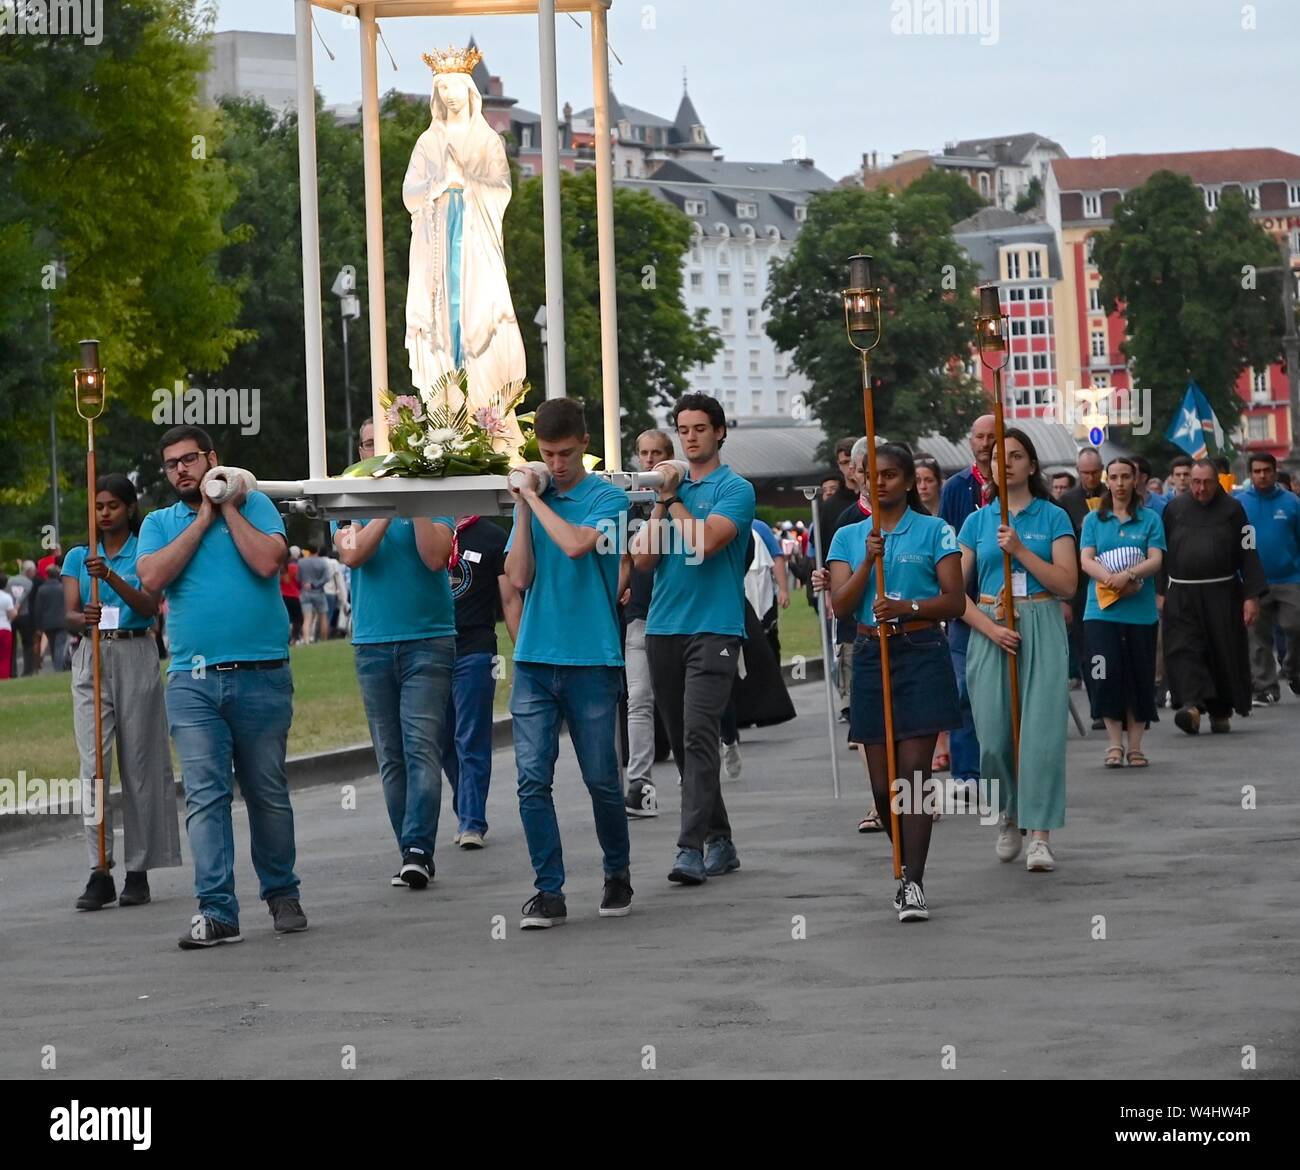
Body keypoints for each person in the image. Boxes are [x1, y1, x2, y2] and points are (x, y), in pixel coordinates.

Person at [137, 424, 307, 949]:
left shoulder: (254, 506)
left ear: (213, 458)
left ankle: (282, 893)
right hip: (193, 682)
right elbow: (152, 578)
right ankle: (217, 910)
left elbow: (266, 561)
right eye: (172, 465)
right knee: (205, 797)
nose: (182, 470)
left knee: (267, 793)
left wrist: (227, 506)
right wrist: (202, 518)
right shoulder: (159, 523)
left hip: (261, 674)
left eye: (191, 460)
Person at [823, 444, 965, 921]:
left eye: (889, 474)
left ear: (907, 481)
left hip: (921, 651)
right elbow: (841, 605)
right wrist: (867, 561)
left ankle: (913, 882)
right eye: (870, 474)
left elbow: (955, 601)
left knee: (915, 779)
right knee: (885, 790)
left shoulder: (935, 530)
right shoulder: (847, 536)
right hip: (868, 654)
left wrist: (910, 608)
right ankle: (905, 863)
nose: (878, 482)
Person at [504, 398, 632, 928]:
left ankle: (617, 872)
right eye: (546, 454)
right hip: (535, 656)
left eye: (565, 453)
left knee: (601, 778)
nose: (555, 465)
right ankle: (548, 890)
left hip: (591, 658)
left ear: (584, 444)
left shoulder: (608, 497)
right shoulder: (536, 499)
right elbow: (519, 577)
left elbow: (579, 545)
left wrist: (533, 501)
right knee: (532, 780)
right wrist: (519, 506)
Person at [632, 392, 755, 887]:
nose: (690, 437)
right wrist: (661, 503)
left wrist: (674, 500)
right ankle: (720, 839)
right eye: (683, 429)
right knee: (686, 742)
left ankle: (691, 847)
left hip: (715, 628)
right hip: (663, 628)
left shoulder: (735, 489)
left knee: (699, 732)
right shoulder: (663, 492)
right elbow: (641, 561)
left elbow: (703, 542)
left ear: (719, 432)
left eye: (700, 428)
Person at [333, 442, 457, 890]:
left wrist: (413, 498)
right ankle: (409, 846)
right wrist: (386, 506)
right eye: (370, 446)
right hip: (373, 643)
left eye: (387, 446)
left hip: (428, 639)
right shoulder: (348, 498)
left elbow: (434, 556)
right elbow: (352, 553)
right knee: (391, 755)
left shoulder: (434, 493)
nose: (378, 453)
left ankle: (418, 849)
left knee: (421, 747)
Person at [61, 474, 182, 910]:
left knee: (142, 764)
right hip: (93, 657)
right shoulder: (79, 555)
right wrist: (83, 616)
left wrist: (109, 576)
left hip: (135, 652)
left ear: (130, 508)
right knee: (94, 766)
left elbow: (150, 606)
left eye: (113, 505)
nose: (105, 512)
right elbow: (70, 615)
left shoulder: (143, 551)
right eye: (98, 506)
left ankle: (139, 869)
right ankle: (99, 869)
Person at [958, 428, 1076, 873]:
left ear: (1031, 465)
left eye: (1016, 455)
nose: (1005, 462)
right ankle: (1007, 815)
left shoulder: (1053, 517)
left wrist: (1021, 549)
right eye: (996, 456)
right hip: (992, 628)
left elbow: (1067, 584)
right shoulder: (976, 522)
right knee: (993, 737)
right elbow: (955, 593)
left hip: (1042, 623)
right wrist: (989, 628)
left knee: (1042, 737)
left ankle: (1041, 835)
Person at [1160, 460, 1266, 735]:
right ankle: (1191, 706)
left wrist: (1251, 595)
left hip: (1222, 593)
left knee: (1221, 651)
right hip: (1182, 593)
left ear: (1217, 482)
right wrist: (1159, 591)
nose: (1200, 488)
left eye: (1207, 482)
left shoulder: (1233, 510)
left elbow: (1248, 550)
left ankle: (1221, 709)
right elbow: (1161, 552)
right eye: (1196, 482)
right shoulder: (1174, 510)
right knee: (1185, 648)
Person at [1079, 458, 1166, 768]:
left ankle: (1136, 746)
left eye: (1125, 477)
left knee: (1139, 676)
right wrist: (1109, 580)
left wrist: (1128, 575)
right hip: (1101, 612)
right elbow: (1085, 559)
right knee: (1106, 674)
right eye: (1113, 477)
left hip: (1140, 614)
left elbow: (1155, 559)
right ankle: (1114, 744)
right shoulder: (1093, 520)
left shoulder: (1150, 519)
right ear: (1107, 481)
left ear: (1136, 480)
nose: (1119, 483)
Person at [443, 508, 522, 849]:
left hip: (476, 647)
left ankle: (473, 820)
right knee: (443, 739)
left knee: (471, 735)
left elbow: (508, 597)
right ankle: (465, 805)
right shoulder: (430, 527)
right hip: (433, 647)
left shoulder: (491, 536)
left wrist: (522, 653)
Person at [939, 414, 997, 795]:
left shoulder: (1017, 486)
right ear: (970, 441)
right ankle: (966, 773)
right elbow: (945, 541)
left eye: (993, 436)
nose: (987, 443)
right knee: (962, 688)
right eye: (980, 436)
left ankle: (1004, 765)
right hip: (963, 605)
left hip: (1004, 602)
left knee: (1000, 690)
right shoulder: (956, 487)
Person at [621, 428, 675, 819]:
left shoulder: (682, 501)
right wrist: (618, 589)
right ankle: (639, 781)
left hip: (679, 617)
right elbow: (620, 558)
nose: (651, 460)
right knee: (638, 701)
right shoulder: (625, 506)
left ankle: (697, 774)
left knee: (680, 703)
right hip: (639, 616)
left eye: (658, 452)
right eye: (645, 453)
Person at [1237, 452, 1300, 703]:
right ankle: (1265, 687)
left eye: (1266, 471)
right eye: (1257, 471)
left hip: (1290, 578)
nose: (1262, 475)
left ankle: (1294, 670)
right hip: (1254, 581)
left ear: (1275, 472)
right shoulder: (1239, 503)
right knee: (1257, 635)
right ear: (1250, 474)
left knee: (1295, 626)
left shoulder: (1292, 502)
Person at [1057, 446, 1106, 723]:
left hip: (1113, 580)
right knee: (1089, 650)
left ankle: (1117, 703)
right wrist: (1064, 597)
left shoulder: (1113, 495)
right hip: (1080, 587)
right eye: (1085, 473)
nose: (1089, 477)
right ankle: (1098, 705)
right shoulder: (1066, 501)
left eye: (1094, 472)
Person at [35, 563, 71, 671]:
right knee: (60, 646)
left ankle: (57, 665)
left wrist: (38, 626)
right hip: (62, 622)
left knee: (52, 645)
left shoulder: (41, 589)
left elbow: (38, 608)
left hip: (47, 623)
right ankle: (58, 668)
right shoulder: (62, 588)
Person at [296, 546, 330, 644]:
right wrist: (315, 584)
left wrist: (305, 583)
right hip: (319, 592)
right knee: (323, 616)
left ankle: (306, 640)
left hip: (305, 592)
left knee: (307, 618)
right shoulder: (322, 562)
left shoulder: (301, 562)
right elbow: (326, 578)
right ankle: (324, 640)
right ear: (317, 551)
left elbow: (298, 578)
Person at [13, 561, 40, 675]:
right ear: (29, 571)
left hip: (12, 617)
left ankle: (12, 671)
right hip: (25, 615)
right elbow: (23, 599)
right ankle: (28, 670)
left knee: (12, 646)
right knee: (28, 644)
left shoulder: (11, 580)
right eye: (33, 571)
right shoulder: (29, 583)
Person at [279, 556, 303, 646]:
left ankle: (287, 639)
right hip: (294, 595)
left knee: (287, 619)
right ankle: (294, 638)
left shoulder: (279, 569)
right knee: (298, 619)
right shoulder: (294, 567)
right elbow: (299, 580)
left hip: (283, 596)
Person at [0, 574, 15, 680]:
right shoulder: (6, 597)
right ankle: (4, 677)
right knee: (5, 656)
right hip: (5, 627)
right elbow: (12, 614)